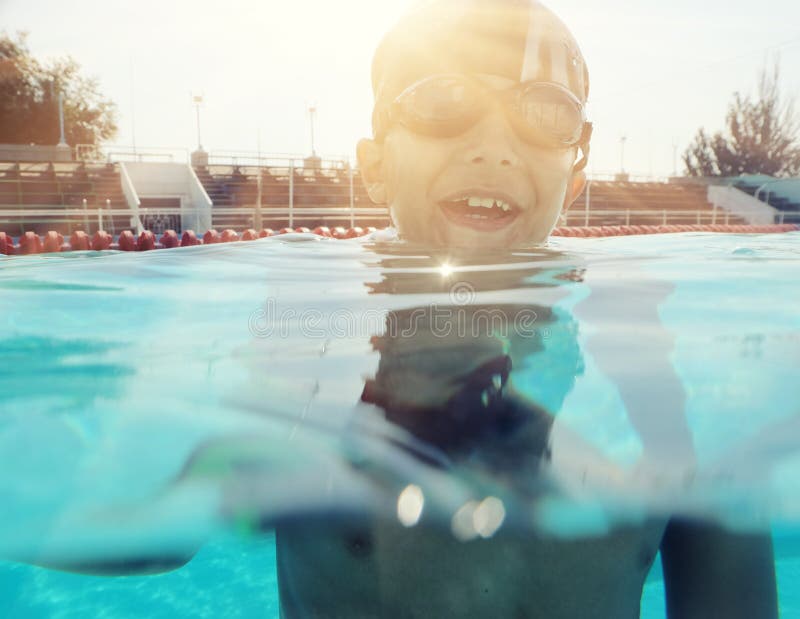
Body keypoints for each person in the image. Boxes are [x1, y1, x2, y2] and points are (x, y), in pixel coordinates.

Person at [276, 1, 779, 617]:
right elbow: (142, 550)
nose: (495, 147)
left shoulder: (668, 388)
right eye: (443, 102)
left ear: (573, 181)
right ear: (375, 167)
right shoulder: (305, 355)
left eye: (544, 115)